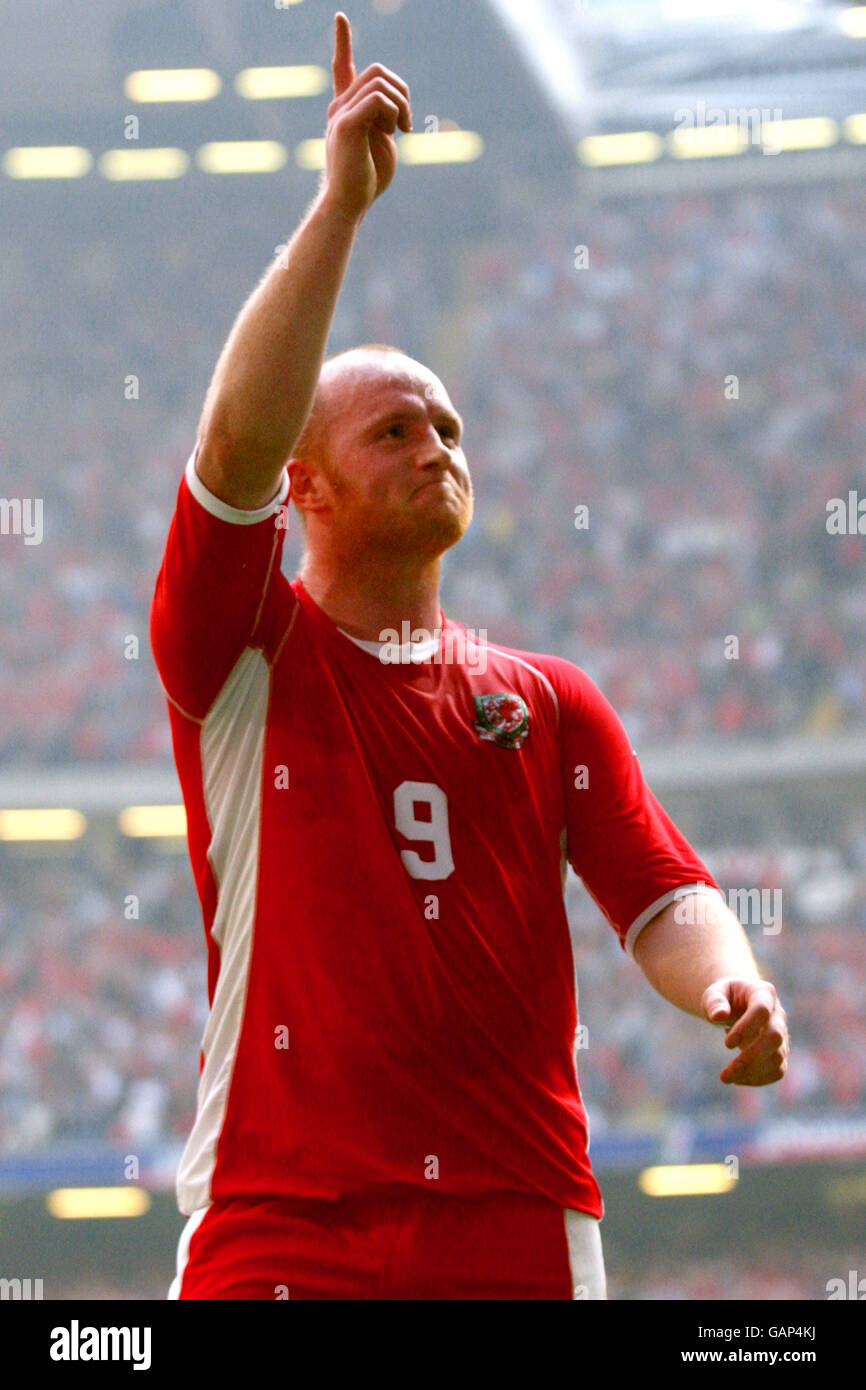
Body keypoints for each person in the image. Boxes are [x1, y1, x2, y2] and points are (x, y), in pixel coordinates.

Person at [151, 13, 789, 1301]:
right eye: (395, 428)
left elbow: (662, 895)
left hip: (515, 1219)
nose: (439, 443)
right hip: (280, 1218)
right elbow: (226, 457)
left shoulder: (548, 701)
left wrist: (733, 981)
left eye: (449, 425)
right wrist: (337, 211)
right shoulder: (239, 652)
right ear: (308, 486)